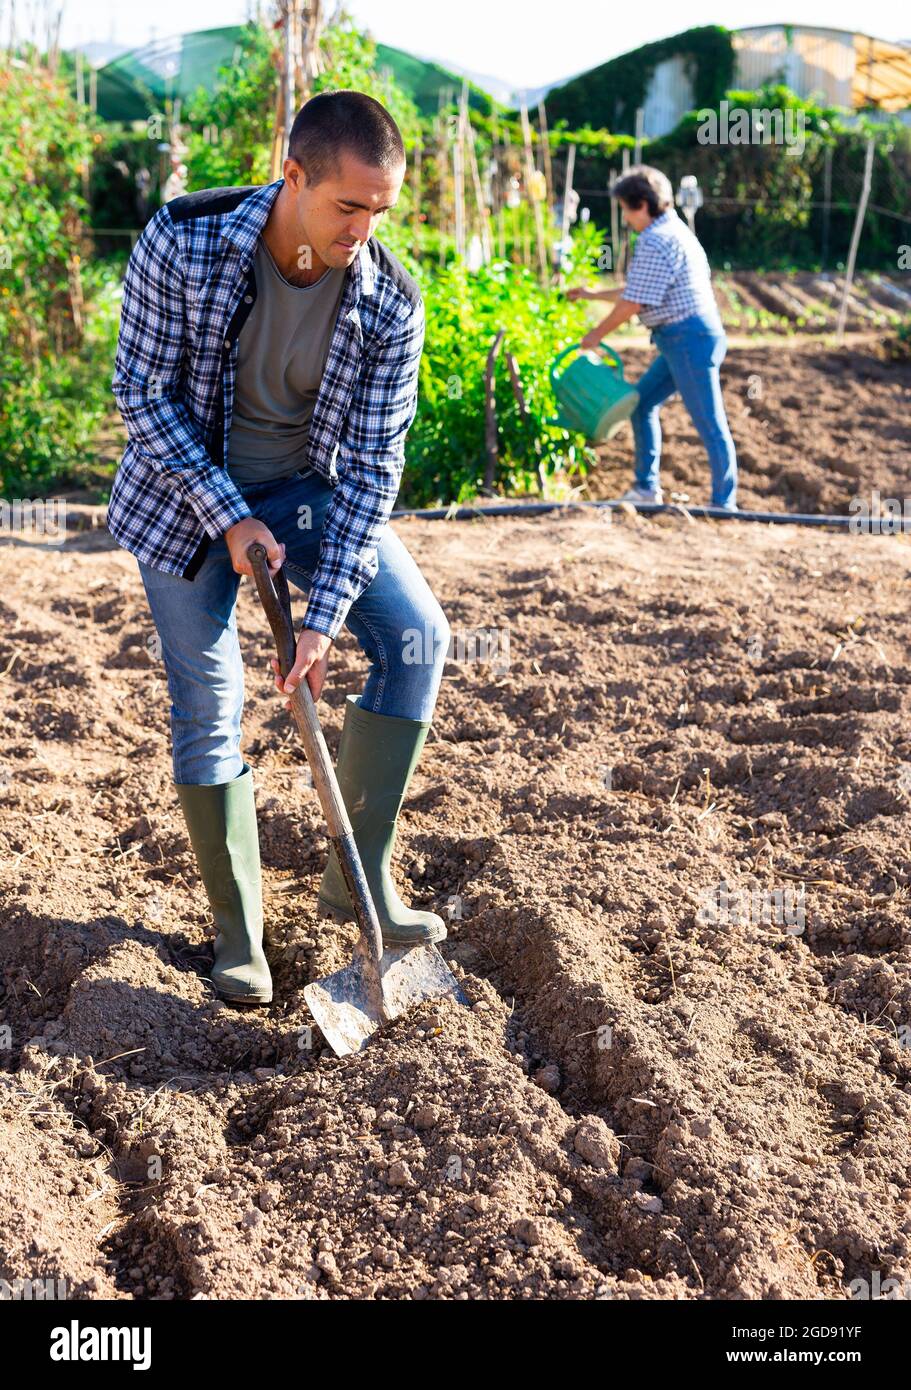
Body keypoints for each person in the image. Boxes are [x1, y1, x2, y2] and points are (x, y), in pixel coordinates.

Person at [109, 90, 450, 1007]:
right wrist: (227, 513)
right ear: (291, 176)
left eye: (381, 210)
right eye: (348, 206)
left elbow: (375, 473)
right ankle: (239, 936)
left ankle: (359, 879)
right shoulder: (185, 239)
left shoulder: (388, 301)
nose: (364, 230)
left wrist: (323, 618)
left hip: (303, 496)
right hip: (182, 498)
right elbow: (138, 390)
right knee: (209, 705)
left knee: (419, 639)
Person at [567, 164, 737, 510]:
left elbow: (634, 301)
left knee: (709, 422)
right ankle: (646, 487)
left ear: (641, 205)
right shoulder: (673, 229)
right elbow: (638, 290)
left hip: (689, 340)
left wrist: (595, 335)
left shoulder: (656, 240)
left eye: (626, 211)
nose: (626, 220)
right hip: (683, 339)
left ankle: (725, 503)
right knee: (642, 404)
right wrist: (590, 295)